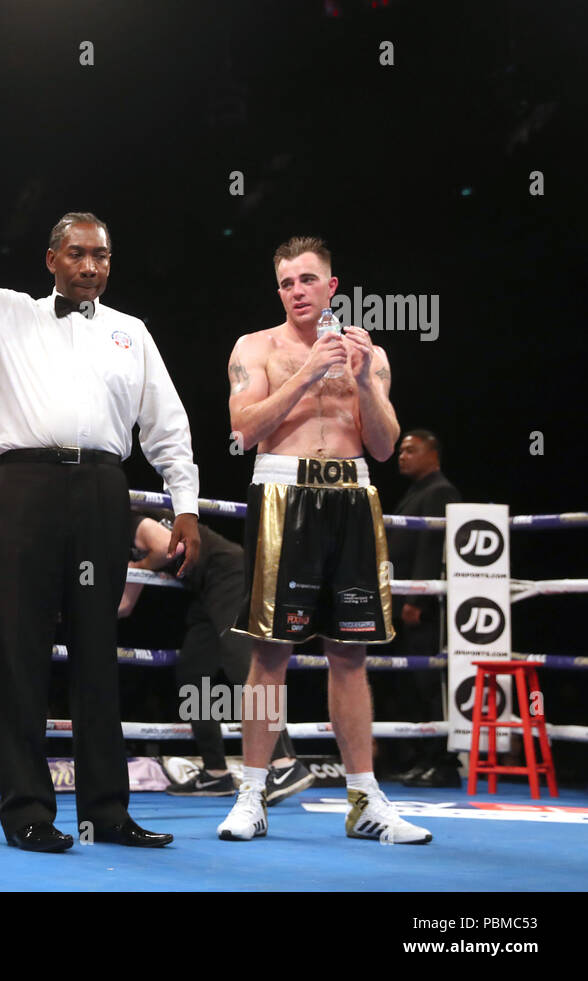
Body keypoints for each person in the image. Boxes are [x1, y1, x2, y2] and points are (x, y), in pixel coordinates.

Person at [0, 198, 200, 852]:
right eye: (78, 253)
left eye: (101, 255)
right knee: (18, 651)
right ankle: (28, 812)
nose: (91, 266)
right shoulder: (6, 311)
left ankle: (107, 811)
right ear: (51, 259)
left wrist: (185, 503)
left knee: (99, 651)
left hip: (102, 489)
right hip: (27, 488)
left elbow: (168, 427)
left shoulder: (132, 332)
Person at [217, 235, 430, 844]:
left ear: (331, 286)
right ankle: (252, 793)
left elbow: (385, 446)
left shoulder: (371, 353)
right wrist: (310, 373)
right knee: (269, 654)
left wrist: (361, 379)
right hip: (283, 494)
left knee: (350, 652)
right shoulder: (255, 348)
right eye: (286, 283)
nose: (297, 292)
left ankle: (364, 797)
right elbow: (242, 428)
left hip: (354, 495)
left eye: (307, 280)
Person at [120, 510, 312, 802]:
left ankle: (285, 763)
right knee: (192, 673)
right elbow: (124, 605)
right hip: (204, 590)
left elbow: (168, 548)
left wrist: (142, 564)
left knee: (241, 664)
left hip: (228, 574)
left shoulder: (129, 519)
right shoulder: (118, 542)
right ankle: (215, 773)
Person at [382, 430, 461, 786]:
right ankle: (422, 758)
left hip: (421, 607)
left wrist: (416, 599)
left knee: (428, 683)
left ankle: (443, 764)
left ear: (433, 454)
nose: (402, 456)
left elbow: (432, 547)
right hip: (401, 603)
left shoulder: (439, 490)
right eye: (401, 450)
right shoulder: (418, 491)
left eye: (411, 450)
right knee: (410, 685)